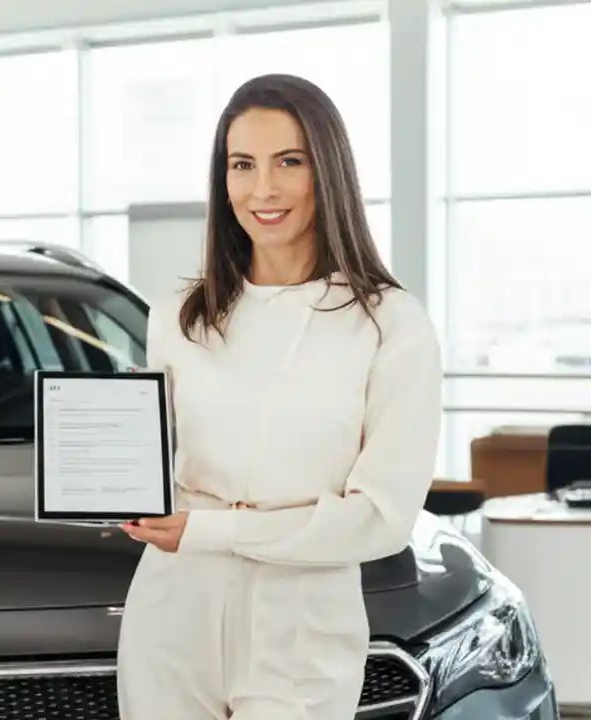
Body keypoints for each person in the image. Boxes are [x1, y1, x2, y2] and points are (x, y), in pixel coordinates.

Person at [115, 73, 443, 719]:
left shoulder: (389, 324)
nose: (262, 189)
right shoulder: (179, 314)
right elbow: (155, 471)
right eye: (242, 165)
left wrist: (211, 530)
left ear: (328, 171)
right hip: (172, 612)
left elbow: (381, 519)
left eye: (288, 162)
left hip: (301, 625)